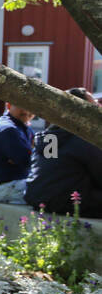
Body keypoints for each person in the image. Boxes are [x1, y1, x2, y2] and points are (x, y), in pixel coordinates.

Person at [24, 87, 102, 217]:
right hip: (66, 201)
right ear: (82, 110)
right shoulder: (82, 137)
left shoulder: (51, 135)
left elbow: (53, 168)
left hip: (38, 198)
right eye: (94, 104)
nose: (98, 106)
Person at [0, 101, 34, 203]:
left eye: (31, 107)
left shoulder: (23, 127)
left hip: (14, 183)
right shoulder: (8, 128)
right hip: (4, 187)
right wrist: (34, 154)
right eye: (22, 106)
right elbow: (28, 162)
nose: (26, 111)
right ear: (8, 105)